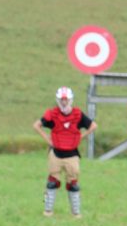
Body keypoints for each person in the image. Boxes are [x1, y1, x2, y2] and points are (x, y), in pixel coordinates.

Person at [33, 87, 96, 218]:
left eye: (66, 99)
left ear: (70, 100)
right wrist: (48, 139)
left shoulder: (78, 115)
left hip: (72, 155)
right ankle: (47, 211)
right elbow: (36, 125)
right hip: (56, 154)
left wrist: (80, 137)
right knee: (52, 182)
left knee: (73, 184)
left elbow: (93, 126)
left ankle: (76, 213)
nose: (64, 102)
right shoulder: (53, 114)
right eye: (61, 100)